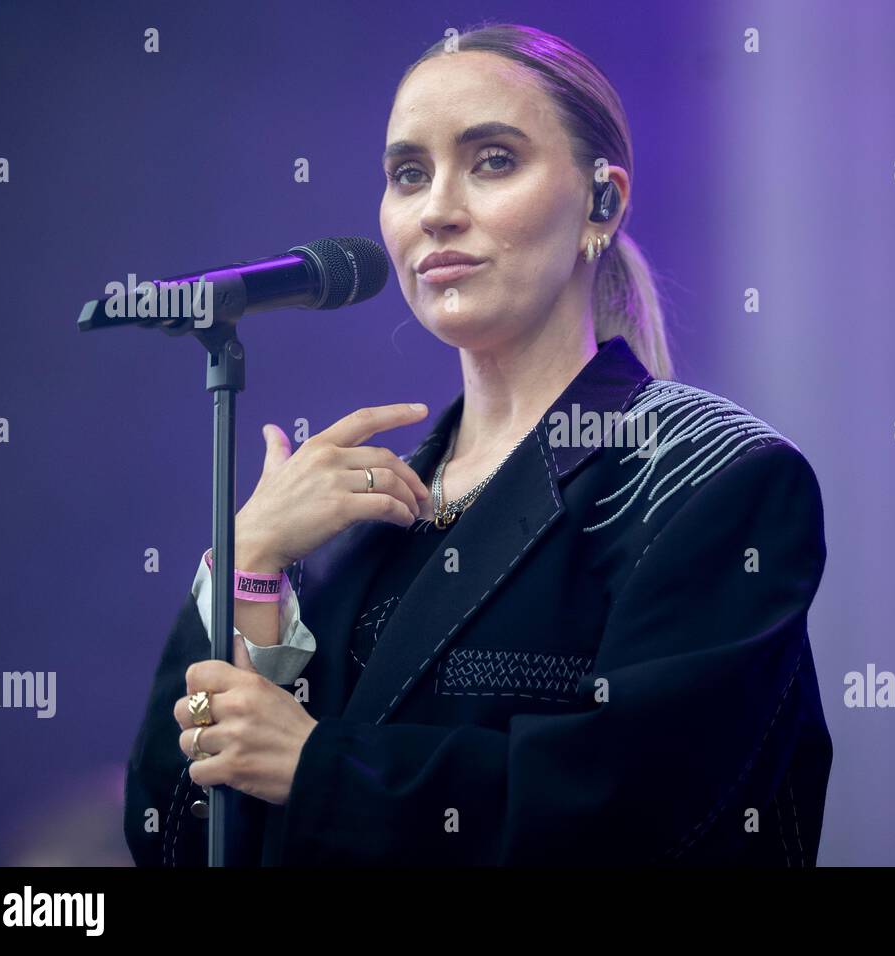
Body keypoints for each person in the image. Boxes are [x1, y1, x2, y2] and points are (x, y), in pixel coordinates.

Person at [123, 22, 832, 866]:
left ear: (602, 203)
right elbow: (172, 841)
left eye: (493, 160)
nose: (436, 210)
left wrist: (319, 766)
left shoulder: (712, 476)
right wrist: (250, 557)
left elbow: (634, 809)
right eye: (408, 175)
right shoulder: (348, 529)